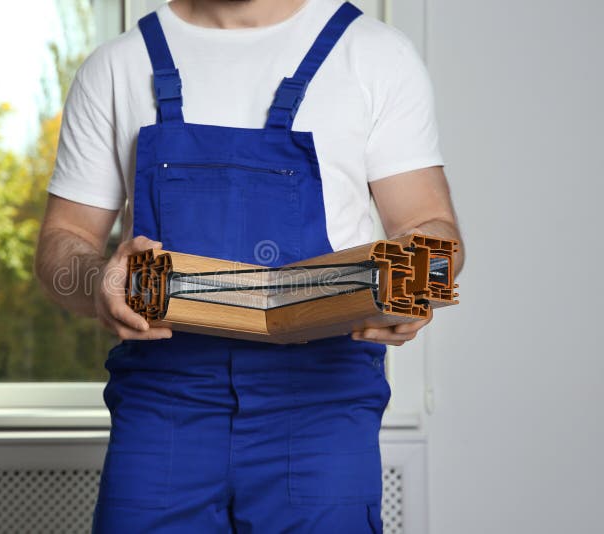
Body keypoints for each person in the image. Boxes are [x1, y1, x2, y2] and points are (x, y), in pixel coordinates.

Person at [34, 0, 464, 531]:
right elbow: (61, 246)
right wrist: (97, 280)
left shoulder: (376, 56)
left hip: (322, 405)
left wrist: (414, 281)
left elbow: (430, 224)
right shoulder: (118, 67)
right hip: (165, 405)